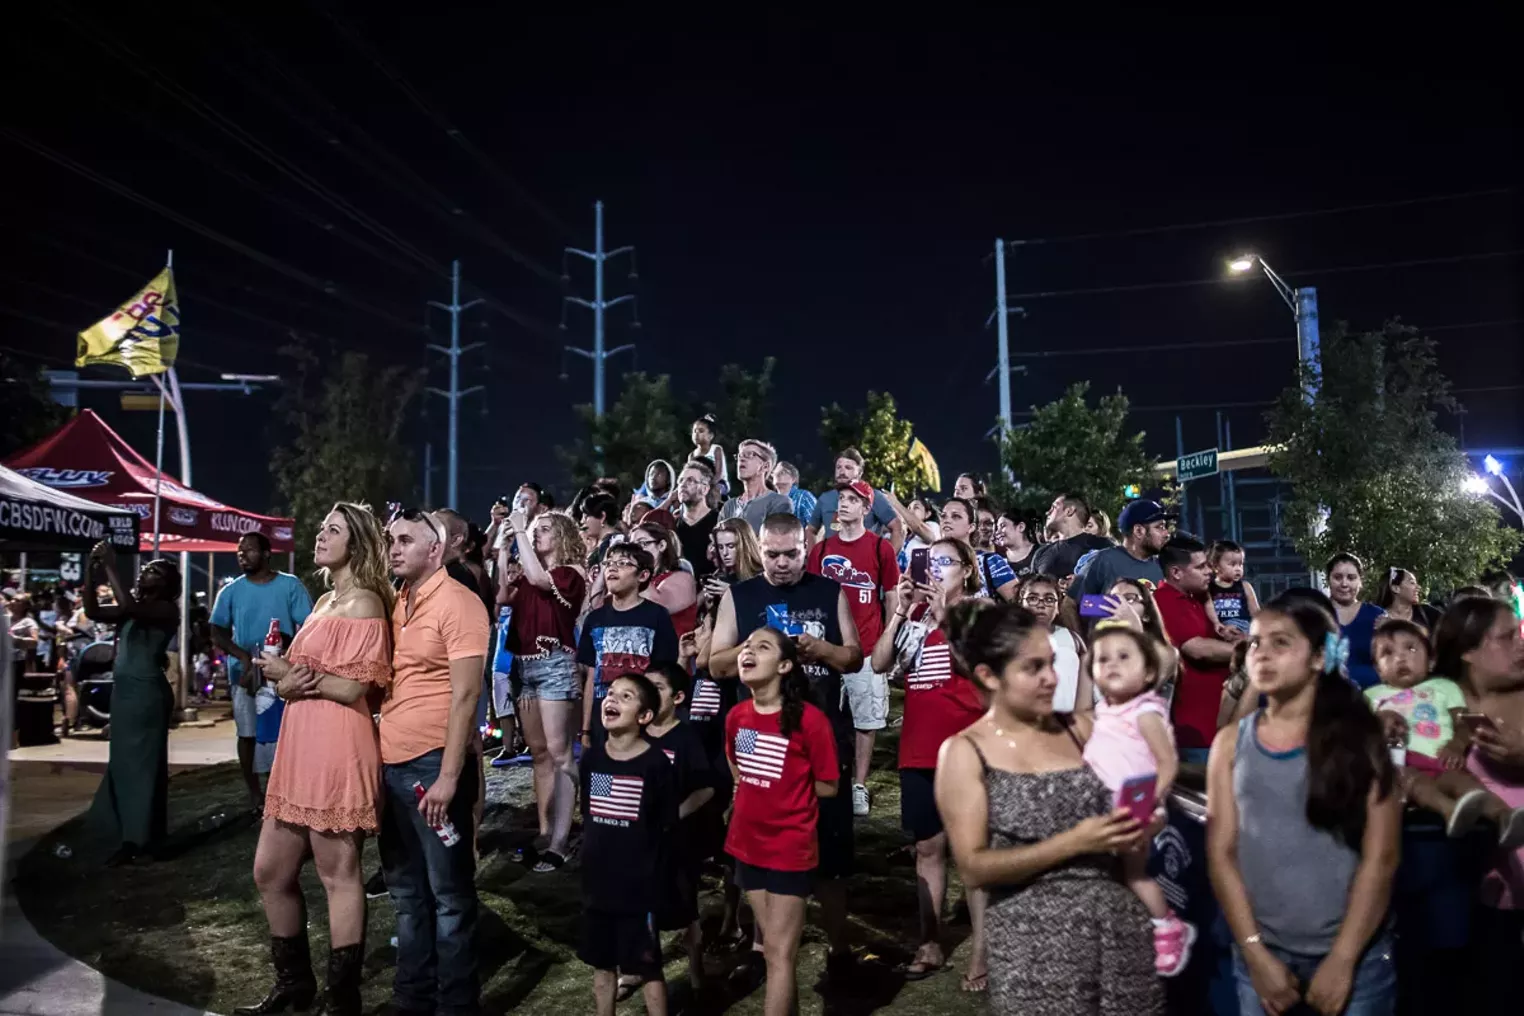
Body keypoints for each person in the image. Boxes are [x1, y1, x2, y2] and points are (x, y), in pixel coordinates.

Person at [934, 600, 1164, 1015]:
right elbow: (973, 867)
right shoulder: (964, 753)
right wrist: (1073, 842)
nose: (1051, 679)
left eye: (1053, 664)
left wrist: (1142, 817)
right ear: (988, 675)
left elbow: (1153, 696)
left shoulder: (1084, 728)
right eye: (1033, 668)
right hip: (1035, 950)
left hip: (1120, 932)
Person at [1206, 597, 1401, 1016]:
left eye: (1281, 643)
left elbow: (1381, 857)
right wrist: (1255, 954)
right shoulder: (1230, 744)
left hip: (1356, 954)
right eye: (1256, 643)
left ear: (1318, 657)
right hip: (1262, 952)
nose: (1262, 653)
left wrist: (1344, 958)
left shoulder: (1359, 739)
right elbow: (1221, 853)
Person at [237, 504, 393, 1016]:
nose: (321, 535)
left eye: (333, 529)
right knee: (269, 871)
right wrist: (285, 679)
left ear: (358, 543)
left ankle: (342, 998)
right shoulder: (325, 600)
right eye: (323, 526)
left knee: (337, 874)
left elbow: (355, 686)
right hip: (299, 743)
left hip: (336, 746)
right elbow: (292, 678)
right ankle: (294, 984)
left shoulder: (367, 604)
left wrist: (297, 676)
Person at [708, 513, 863, 985]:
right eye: (772, 554)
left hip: (820, 734)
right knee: (759, 849)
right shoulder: (741, 596)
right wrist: (759, 652)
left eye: (790, 554)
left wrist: (820, 651)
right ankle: (761, 949)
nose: (780, 564)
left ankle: (839, 949)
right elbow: (715, 663)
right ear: (760, 548)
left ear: (807, 546)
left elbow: (854, 656)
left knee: (831, 854)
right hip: (761, 742)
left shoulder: (828, 591)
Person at [382, 509, 490, 1016]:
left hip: (432, 765)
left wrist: (450, 778)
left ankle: (456, 1005)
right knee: (405, 892)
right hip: (392, 763)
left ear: (435, 548)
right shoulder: (399, 600)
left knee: (449, 895)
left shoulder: (460, 603)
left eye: (405, 540)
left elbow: (467, 696)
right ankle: (414, 999)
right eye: (390, 541)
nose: (394, 548)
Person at [871, 537, 988, 990]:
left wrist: (946, 620)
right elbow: (880, 662)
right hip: (919, 749)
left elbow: (979, 669)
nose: (936, 569)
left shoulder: (978, 612)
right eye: (929, 560)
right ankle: (931, 941)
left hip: (966, 749)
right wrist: (900, 611)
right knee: (927, 848)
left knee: (973, 855)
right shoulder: (914, 616)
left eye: (946, 561)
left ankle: (980, 951)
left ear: (968, 569)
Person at [724, 628, 840, 1016]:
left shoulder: (811, 721)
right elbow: (737, 769)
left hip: (789, 846)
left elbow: (828, 784)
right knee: (773, 949)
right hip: (746, 845)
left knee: (779, 954)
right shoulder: (737, 716)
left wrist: (785, 795)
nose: (748, 652)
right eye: (746, 646)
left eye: (762, 647)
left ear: (785, 665)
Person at [1081, 624, 1194, 976]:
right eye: (1103, 659)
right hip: (1102, 810)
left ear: (1147, 673)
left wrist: (1149, 805)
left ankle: (1168, 927)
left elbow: (1167, 762)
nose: (1112, 664)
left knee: (1134, 875)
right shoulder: (1101, 713)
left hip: (1134, 810)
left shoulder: (1145, 710)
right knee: (1115, 878)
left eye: (1124, 657)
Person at [1434, 594, 1524, 997]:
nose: (1521, 644)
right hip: (1479, 902)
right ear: (1469, 651)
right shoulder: (1435, 703)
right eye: (1507, 637)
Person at [1369, 618, 1524, 843]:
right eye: (1387, 653)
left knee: (1468, 786)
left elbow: (1462, 722)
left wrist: (1456, 746)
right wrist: (1380, 719)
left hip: (1441, 760)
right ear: (1377, 670)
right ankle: (1451, 812)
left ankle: (1505, 818)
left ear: (1431, 660)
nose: (1400, 657)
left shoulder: (1443, 687)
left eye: (1411, 648)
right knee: (1415, 781)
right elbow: (1358, 731)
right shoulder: (1372, 695)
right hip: (1401, 766)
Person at [578, 673, 678, 1016]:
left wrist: (656, 879)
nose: (612, 700)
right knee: (602, 965)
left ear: (645, 716)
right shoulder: (592, 759)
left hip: (638, 888)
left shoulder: (655, 764)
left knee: (647, 965)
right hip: (598, 884)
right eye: (610, 693)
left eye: (626, 696)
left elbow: (665, 824)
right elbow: (590, 814)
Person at [81, 544, 181, 866]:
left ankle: (144, 839)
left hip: (147, 695)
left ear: (167, 584)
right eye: (146, 569)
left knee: (147, 765)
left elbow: (128, 606)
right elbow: (94, 611)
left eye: (155, 571)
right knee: (123, 764)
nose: (146, 573)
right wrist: (91, 571)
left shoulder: (165, 610)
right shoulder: (135, 606)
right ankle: (130, 837)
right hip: (123, 695)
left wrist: (112, 566)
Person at [499, 510, 587, 871]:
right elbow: (503, 595)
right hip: (525, 666)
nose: (536, 535)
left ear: (563, 535)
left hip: (554, 665)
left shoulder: (571, 574)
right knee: (539, 754)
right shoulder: (532, 571)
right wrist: (504, 551)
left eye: (544, 530)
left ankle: (564, 840)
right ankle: (546, 829)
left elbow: (537, 579)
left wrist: (520, 527)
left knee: (560, 752)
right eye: (534, 531)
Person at [806, 481, 899, 816]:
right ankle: (823, 778)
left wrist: (889, 639)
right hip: (828, 649)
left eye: (852, 500)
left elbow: (891, 596)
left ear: (866, 508)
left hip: (868, 645)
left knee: (866, 719)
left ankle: (858, 785)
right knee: (822, 716)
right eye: (841, 499)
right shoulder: (821, 549)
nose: (842, 504)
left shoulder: (880, 549)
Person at [211, 532, 315, 815]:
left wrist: (286, 655)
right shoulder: (231, 591)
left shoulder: (290, 586)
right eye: (239, 551)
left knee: (286, 734)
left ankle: (284, 789)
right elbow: (216, 629)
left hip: (284, 674)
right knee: (248, 734)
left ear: (267, 553)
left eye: (249, 550)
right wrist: (243, 657)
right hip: (245, 676)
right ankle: (255, 793)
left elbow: (308, 626)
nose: (242, 555)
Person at [637, 664, 716, 994]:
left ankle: (697, 970)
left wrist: (674, 814)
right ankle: (640, 970)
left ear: (679, 697)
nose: (649, 694)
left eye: (658, 688)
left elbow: (706, 788)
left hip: (678, 844)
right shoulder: (635, 733)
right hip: (640, 843)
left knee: (686, 912)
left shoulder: (685, 737)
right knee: (641, 909)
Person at [576, 542, 678, 765]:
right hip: (604, 714)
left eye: (623, 564)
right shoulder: (595, 619)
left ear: (642, 575)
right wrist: (585, 730)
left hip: (642, 716)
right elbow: (592, 677)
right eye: (609, 563)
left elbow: (662, 676)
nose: (613, 568)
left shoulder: (657, 616)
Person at [1155, 536, 1240, 757]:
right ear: (1176, 573)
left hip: (1217, 728)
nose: (1209, 572)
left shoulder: (1195, 599)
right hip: (1195, 733)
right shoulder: (1164, 601)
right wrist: (1254, 651)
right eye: (1201, 567)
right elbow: (1197, 649)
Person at [1071, 499, 1173, 608]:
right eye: (1160, 527)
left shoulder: (1163, 567)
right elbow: (1072, 604)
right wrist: (1118, 607)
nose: (1166, 533)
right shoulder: (1102, 561)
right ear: (1138, 531)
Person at [1019, 574, 1088, 714]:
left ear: (1057, 608)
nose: (1041, 604)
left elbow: (1089, 685)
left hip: (1070, 721)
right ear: (1021, 603)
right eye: (1032, 598)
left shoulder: (1072, 639)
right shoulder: (1009, 639)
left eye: (1049, 599)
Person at [806, 448, 902, 548]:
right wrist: (813, 558)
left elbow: (897, 528)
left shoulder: (875, 496)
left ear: (860, 472)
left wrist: (887, 561)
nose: (842, 471)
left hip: (865, 560)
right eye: (838, 467)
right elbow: (811, 530)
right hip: (831, 561)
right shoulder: (825, 498)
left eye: (848, 468)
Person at [1326, 552, 1386, 689]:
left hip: (1372, 697)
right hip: (1326, 697)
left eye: (1351, 578)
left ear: (1360, 581)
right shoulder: (1315, 613)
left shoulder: (1377, 616)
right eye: (1337, 577)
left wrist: (1391, 630)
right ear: (1328, 579)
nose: (1344, 584)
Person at [940, 497, 1017, 601]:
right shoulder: (929, 561)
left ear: (971, 527)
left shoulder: (991, 561)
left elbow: (1019, 604)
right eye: (943, 516)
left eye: (956, 516)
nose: (947, 520)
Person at [631, 521, 698, 638]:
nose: (636, 552)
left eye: (643, 543)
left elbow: (657, 607)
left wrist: (640, 567)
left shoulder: (683, 578)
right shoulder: (634, 580)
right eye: (633, 547)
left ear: (662, 545)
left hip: (674, 653)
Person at [1029, 493, 1111, 583]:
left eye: (1054, 507)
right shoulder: (1041, 553)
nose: (1047, 512)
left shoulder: (1104, 546)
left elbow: (1121, 592)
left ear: (1069, 511)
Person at [718, 439, 794, 531]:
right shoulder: (729, 506)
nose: (741, 459)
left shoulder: (779, 502)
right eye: (740, 455)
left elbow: (774, 541)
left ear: (765, 466)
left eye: (750, 454)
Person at [698, 518, 762, 619]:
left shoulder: (763, 576)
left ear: (745, 545)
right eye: (720, 547)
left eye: (731, 546)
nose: (725, 553)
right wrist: (711, 607)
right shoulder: (721, 578)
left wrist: (734, 594)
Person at [673, 460, 718, 579]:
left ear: (705, 489)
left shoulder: (720, 522)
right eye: (681, 480)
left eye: (690, 480)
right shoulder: (673, 525)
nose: (683, 484)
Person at [1206, 539, 1259, 637]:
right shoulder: (1209, 588)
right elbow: (1209, 607)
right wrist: (1216, 623)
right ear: (1215, 566)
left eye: (1241, 564)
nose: (1238, 568)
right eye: (1232, 564)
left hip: (1244, 626)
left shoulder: (1245, 586)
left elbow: (1256, 612)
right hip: (1222, 627)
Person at [1374, 566, 1441, 632]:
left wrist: (1394, 625)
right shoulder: (1378, 616)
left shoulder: (1428, 612)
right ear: (1396, 588)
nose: (1418, 587)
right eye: (1412, 583)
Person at [688, 413, 730, 498]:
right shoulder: (692, 455)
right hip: (699, 485)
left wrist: (708, 485)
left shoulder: (716, 450)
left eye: (701, 431)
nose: (696, 434)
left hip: (719, 483)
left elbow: (718, 473)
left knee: (713, 492)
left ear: (710, 436)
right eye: (694, 431)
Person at [994, 508, 1038, 577]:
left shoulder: (1042, 552)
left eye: (1003, 526)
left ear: (1021, 527)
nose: (997, 532)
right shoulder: (997, 558)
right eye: (997, 528)